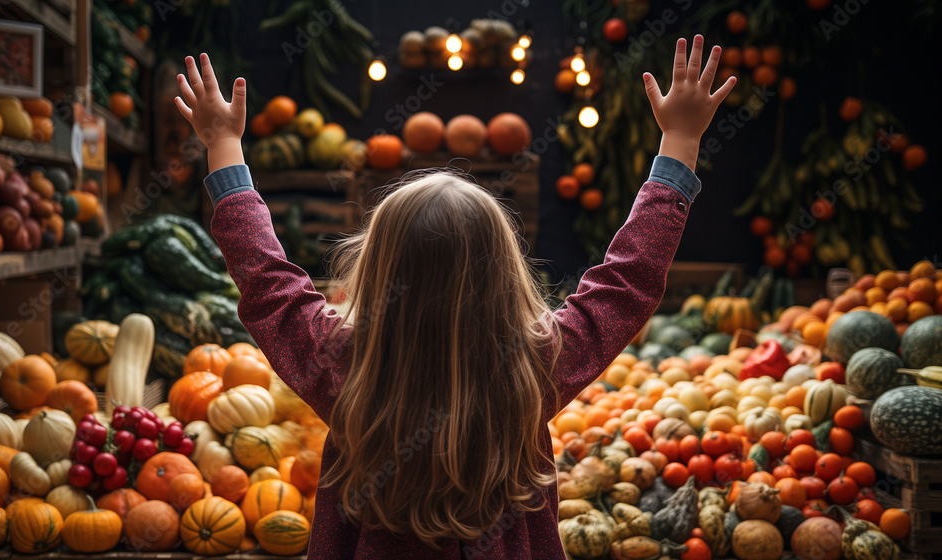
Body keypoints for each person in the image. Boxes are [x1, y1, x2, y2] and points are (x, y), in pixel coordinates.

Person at [175, 34, 735, 560]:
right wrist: (679, 144)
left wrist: (223, 147)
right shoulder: (535, 365)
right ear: (506, 270)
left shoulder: (343, 365)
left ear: (378, 266)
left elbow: (266, 280)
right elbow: (628, 281)